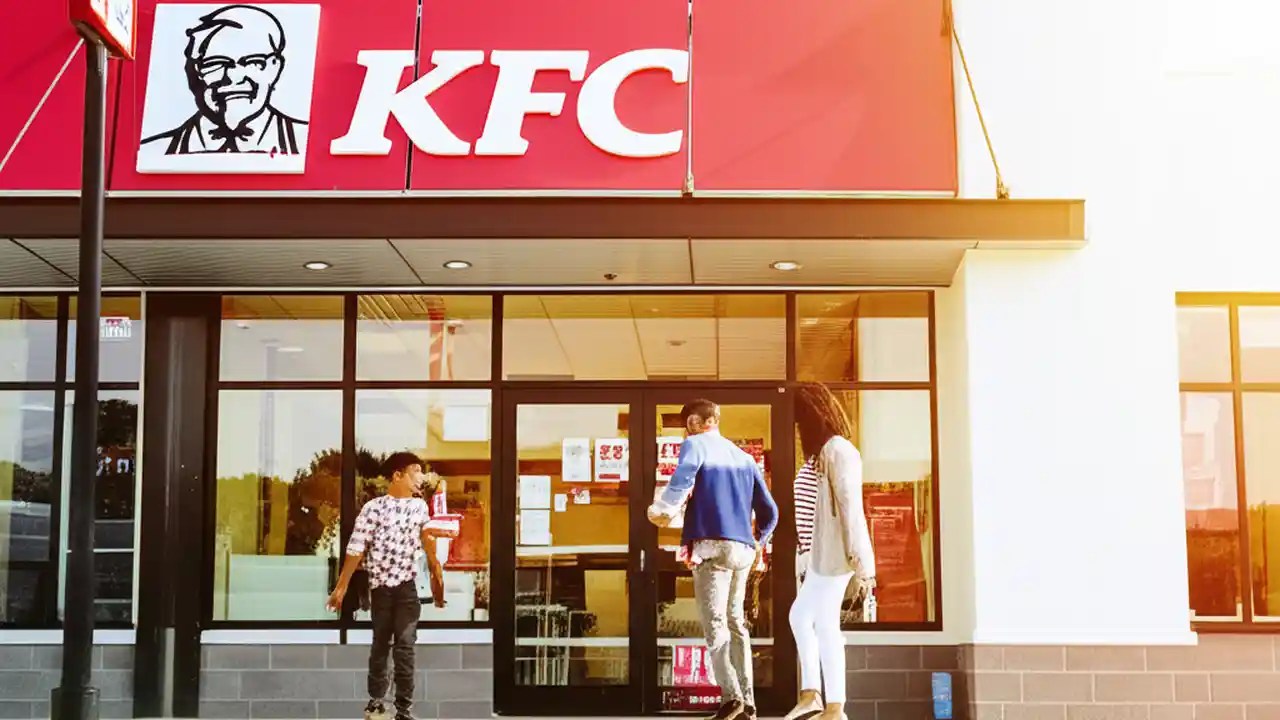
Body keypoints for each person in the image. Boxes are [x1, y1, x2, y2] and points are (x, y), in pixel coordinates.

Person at [648, 399, 779, 720]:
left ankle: (731, 698)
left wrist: (662, 510)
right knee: (736, 623)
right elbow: (770, 512)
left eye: (685, 425)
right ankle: (748, 703)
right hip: (743, 550)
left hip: (711, 546)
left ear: (694, 422)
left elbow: (683, 477)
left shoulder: (695, 445)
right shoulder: (745, 458)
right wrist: (758, 541)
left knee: (716, 625)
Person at [327, 452, 458, 720]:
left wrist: (438, 582)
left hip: (407, 588)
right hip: (382, 590)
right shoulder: (373, 508)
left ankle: (404, 709)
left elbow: (428, 544)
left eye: (422, 472)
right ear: (397, 476)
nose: (420, 477)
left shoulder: (420, 508)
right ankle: (376, 701)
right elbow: (356, 548)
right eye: (416, 471)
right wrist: (341, 587)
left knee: (406, 646)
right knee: (381, 644)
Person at [784, 384, 876, 720]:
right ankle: (817, 697)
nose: (795, 425)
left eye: (798, 417)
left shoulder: (839, 451)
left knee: (817, 623)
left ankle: (831, 703)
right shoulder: (821, 453)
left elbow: (852, 508)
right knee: (811, 620)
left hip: (835, 556)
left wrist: (863, 564)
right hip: (818, 556)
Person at [141, 5, 306, 156]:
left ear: (275, 68)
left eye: (253, 62)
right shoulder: (154, 150)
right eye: (216, 63)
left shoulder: (305, 141)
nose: (234, 78)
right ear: (196, 72)